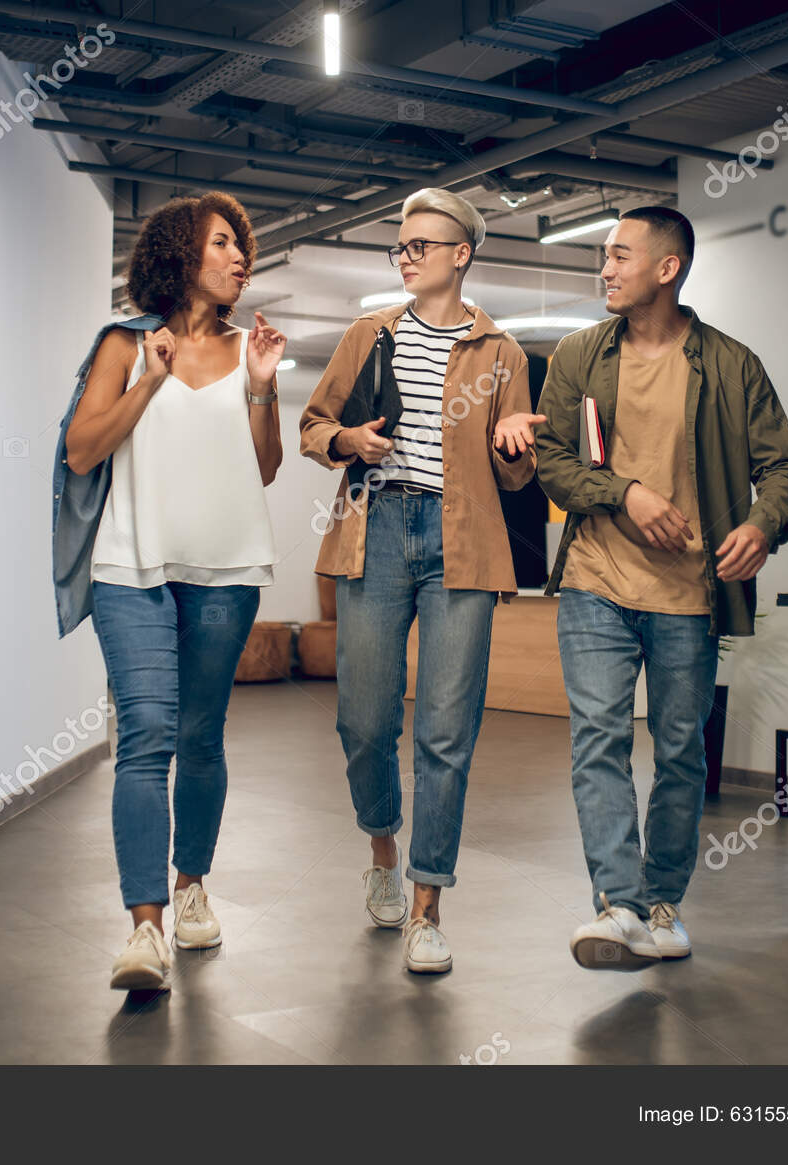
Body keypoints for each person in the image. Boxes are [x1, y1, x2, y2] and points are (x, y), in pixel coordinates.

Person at [534, 206, 788, 965]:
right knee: (599, 743)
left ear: (667, 267)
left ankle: (662, 903)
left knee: (681, 752)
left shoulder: (731, 364)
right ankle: (617, 903)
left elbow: (782, 466)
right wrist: (627, 493)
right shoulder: (580, 355)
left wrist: (760, 526)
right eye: (603, 256)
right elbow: (554, 459)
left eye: (620, 255)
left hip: (690, 593)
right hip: (595, 580)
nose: (606, 268)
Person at [300, 188, 546, 975]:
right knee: (364, 720)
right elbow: (312, 427)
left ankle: (430, 903)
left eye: (419, 245)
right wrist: (347, 439)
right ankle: (382, 847)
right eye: (399, 246)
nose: (405, 257)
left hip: (463, 544)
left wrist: (513, 446)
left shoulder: (501, 351)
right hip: (376, 533)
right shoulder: (368, 333)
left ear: (461, 254)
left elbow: (518, 477)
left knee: (447, 729)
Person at [57, 192, 286, 991]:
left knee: (202, 732)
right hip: (132, 569)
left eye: (242, 248)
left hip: (227, 571)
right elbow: (83, 452)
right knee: (147, 732)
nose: (239, 259)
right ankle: (145, 928)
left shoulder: (248, 347)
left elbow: (265, 466)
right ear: (181, 252)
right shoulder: (125, 344)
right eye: (224, 244)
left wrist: (261, 384)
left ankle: (192, 884)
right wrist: (148, 381)